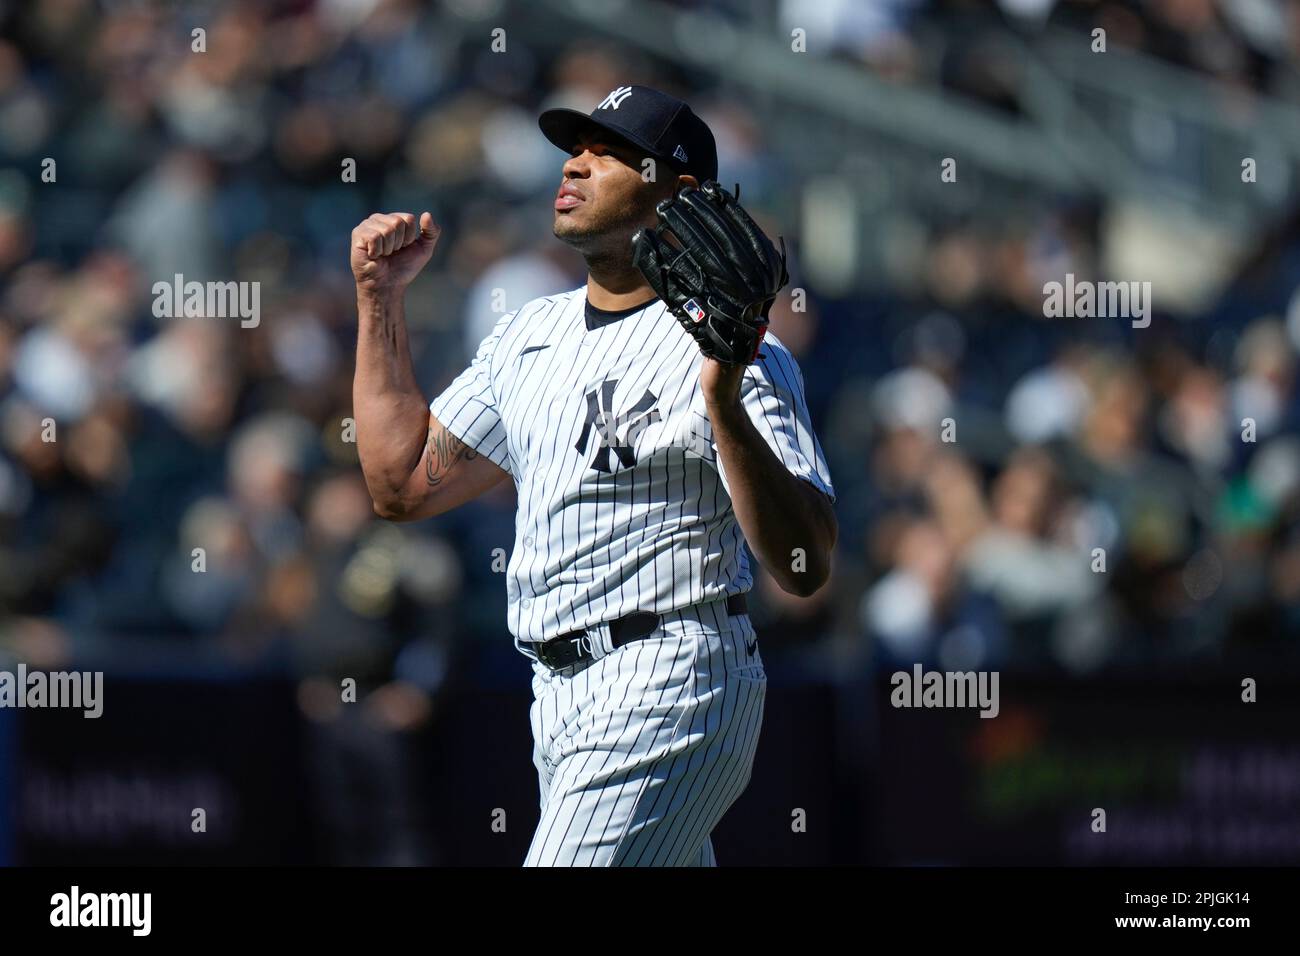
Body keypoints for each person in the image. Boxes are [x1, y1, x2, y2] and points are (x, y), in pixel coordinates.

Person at [349, 85, 837, 866]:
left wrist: (724, 401)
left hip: (672, 672)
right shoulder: (528, 332)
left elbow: (805, 565)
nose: (576, 162)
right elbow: (401, 483)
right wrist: (380, 301)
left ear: (679, 192)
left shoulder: (738, 354)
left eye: (608, 151)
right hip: (557, 693)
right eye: (575, 146)